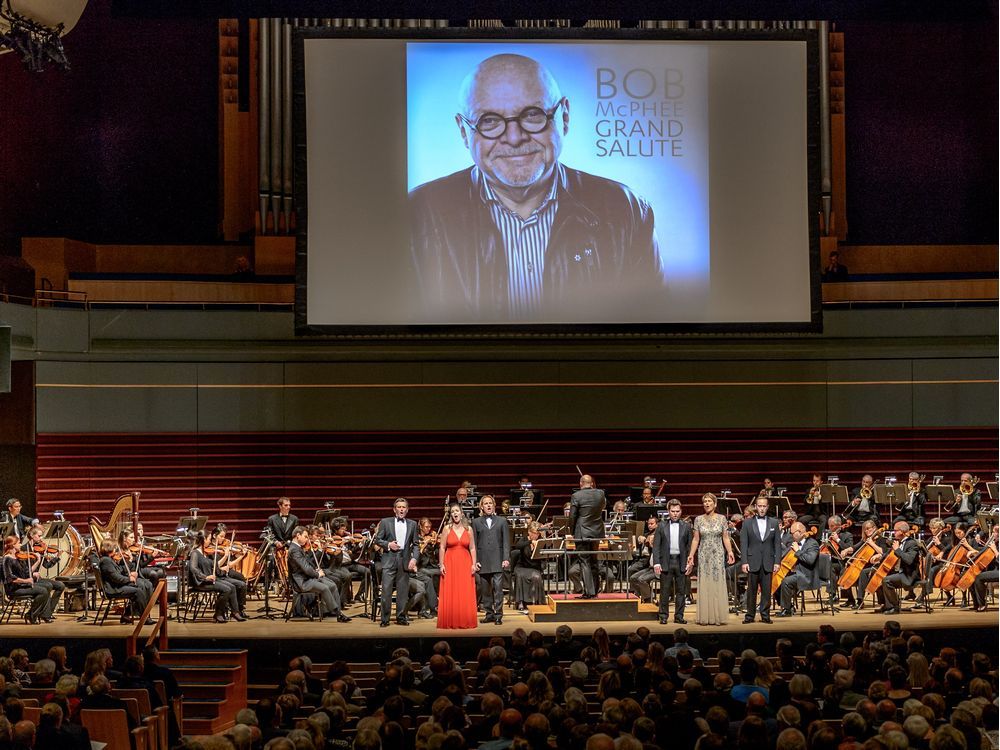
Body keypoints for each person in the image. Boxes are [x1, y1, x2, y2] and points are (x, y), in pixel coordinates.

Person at [409, 53, 665, 322]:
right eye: (490, 121)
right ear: (464, 131)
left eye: (533, 115)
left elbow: (648, 337)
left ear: (564, 117)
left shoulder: (627, 212)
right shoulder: (414, 215)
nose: (514, 137)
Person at [686, 493, 735, 625]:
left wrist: (730, 551)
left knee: (717, 582)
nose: (707, 504)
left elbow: (725, 537)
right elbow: (696, 539)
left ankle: (718, 616)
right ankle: (706, 616)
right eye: (705, 502)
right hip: (704, 556)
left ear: (715, 503)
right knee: (706, 583)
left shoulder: (722, 519)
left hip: (718, 555)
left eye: (709, 501)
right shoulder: (698, 519)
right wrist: (691, 555)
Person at [287, 526, 351, 623]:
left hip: (307, 578)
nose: (307, 539)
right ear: (298, 535)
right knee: (324, 588)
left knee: (332, 585)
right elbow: (306, 568)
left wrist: (316, 569)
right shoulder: (294, 549)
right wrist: (317, 574)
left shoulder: (298, 548)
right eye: (305, 536)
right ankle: (338, 614)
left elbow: (308, 563)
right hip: (301, 582)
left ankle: (338, 612)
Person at [374, 498, 419, 627]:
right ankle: (385, 619)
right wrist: (388, 544)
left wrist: (414, 559)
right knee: (386, 591)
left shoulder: (412, 524)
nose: (401, 509)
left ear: (407, 509)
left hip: (404, 560)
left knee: (403, 592)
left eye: (403, 507)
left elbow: (416, 544)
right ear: (394, 509)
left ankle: (401, 617)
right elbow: (377, 540)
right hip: (389, 559)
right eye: (399, 507)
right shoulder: (385, 522)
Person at [739, 494, 782, 624]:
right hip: (752, 561)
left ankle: (765, 615)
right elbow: (744, 544)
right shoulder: (747, 522)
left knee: (766, 591)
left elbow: (777, 544)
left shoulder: (774, 522)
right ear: (756, 507)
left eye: (764, 506)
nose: (762, 509)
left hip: (768, 561)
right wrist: (744, 561)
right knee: (751, 591)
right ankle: (750, 616)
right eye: (760, 506)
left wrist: (777, 562)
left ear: (767, 507)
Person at [437, 502, 478, 629]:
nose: (455, 513)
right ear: (451, 515)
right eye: (453, 511)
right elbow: (442, 547)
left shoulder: (469, 529)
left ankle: (465, 620)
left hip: (465, 563)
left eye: (457, 511)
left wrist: (473, 564)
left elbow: (472, 548)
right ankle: (451, 620)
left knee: (464, 590)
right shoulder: (446, 528)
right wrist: (441, 564)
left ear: (462, 513)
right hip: (450, 562)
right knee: (452, 589)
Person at [188, 531, 244, 622]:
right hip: (201, 582)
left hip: (210, 580)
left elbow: (215, 565)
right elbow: (193, 568)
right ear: (203, 540)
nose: (210, 541)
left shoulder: (206, 553)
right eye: (209, 539)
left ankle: (235, 612)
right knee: (226, 589)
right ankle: (218, 613)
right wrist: (205, 577)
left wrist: (226, 557)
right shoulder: (195, 553)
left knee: (232, 587)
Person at [2, 535, 57, 623]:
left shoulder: (17, 557)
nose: (20, 545)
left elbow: (26, 572)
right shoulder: (7, 559)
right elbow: (10, 578)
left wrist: (38, 561)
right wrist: (26, 580)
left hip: (23, 585)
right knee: (43, 591)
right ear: (12, 545)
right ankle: (31, 614)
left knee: (47, 586)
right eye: (18, 543)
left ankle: (38, 614)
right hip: (15, 589)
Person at [472, 495, 510, 624]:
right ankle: (489, 614)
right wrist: (475, 560)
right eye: (485, 503)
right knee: (485, 589)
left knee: (498, 589)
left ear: (494, 505)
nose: (488, 505)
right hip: (483, 560)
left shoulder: (502, 521)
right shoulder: (476, 522)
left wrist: (506, 558)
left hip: (497, 559)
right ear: (481, 506)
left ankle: (498, 615)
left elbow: (506, 541)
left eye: (490, 503)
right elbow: (474, 544)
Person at [653, 500, 692, 624]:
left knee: (681, 591)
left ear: (681, 512)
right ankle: (663, 616)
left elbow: (690, 546)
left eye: (677, 511)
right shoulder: (661, 525)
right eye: (673, 511)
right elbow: (656, 546)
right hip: (666, 561)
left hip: (681, 561)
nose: (675, 514)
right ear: (668, 512)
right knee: (664, 591)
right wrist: (656, 562)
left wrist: (690, 562)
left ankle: (679, 616)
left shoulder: (686, 526)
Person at [95, 538, 152, 624]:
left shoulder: (108, 559)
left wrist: (128, 563)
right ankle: (144, 618)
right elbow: (116, 578)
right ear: (111, 548)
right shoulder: (106, 561)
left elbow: (119, 570)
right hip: (113, 589)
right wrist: (129, 579)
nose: (117, 549)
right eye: (115, 547)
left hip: (115, 586)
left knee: (140, 587)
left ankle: (126, 615)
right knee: (138, 591)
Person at [569, 474, 606, 598]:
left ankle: (588, 592)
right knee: (594, 560)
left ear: (580, 483)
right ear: (592, 483)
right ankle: (595, 591)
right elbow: (601, 507)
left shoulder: (576, 495)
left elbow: (573, 516)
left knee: (584, 561)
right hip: (597, 531)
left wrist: (572, 532)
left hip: (582, 532)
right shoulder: (600, 493)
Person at [777, 522, 821, 616]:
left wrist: (798, 551)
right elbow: (784, 555)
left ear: (800, 532)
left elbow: (810, 560)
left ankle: (787, 610)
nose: (791, 535)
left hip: (807, 576)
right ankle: (787, 606)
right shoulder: (796, 543)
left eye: (792, 533)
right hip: (797, 573)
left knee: (786, 581)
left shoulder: (813, 544)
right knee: (776, 580)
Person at [513, 522, 546, 613]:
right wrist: (530, 542)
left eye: (537, 533)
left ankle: (535, 601)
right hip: (521, 567)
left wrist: (542, 538)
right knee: (520, 575)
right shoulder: (524, 540)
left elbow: (547, 551)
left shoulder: (541, 541)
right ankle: (520, 602)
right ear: (529, 532)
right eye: (533, 533)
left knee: (536, 576)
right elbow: (517, 546)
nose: (535, 535)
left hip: (534, 568)